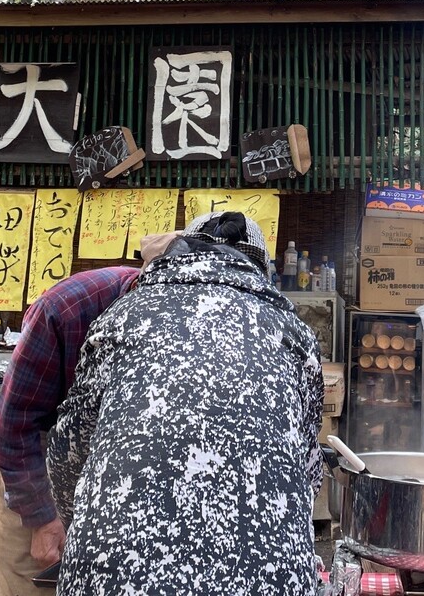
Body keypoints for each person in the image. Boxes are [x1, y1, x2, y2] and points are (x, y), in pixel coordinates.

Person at [47, 211, 324, 596]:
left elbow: (67, 449)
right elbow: (309, 471)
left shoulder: (124, 316)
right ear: (262, 269)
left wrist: (81, 519)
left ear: (180, 251)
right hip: (266, 579)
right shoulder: (293, 333)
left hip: (112, 576)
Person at [0, 236, 176, 596]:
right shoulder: (65, 309)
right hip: (34, 469)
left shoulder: (183, 317)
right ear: (141, 282)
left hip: (113, 475)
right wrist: (42, 519)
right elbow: (12, 428)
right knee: (34, 583)